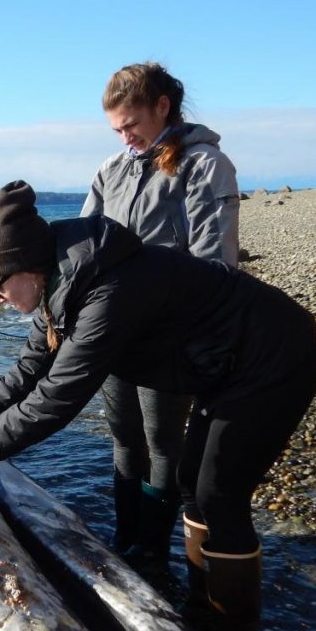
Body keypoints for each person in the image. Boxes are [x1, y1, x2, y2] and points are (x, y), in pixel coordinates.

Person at [0, 181, 316, 631]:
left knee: (219, 493)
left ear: (26, 269)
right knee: (191, 483)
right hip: (225, 367)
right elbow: (33, 365)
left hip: (274, 358)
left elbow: (60, 396)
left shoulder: (109, 291)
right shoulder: (62, 282)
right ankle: (204, 608)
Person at [81, 62, 240, 568]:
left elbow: (216, 263)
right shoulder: (112, 170)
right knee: (124, 437)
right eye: (117, 129)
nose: (125, 137)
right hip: (117, 336)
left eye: (131, 125)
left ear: (162, 108)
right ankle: (125, 537)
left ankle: (153, 548)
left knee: (163, 442)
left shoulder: (204, 165)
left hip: (171, 336)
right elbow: (85, 247)